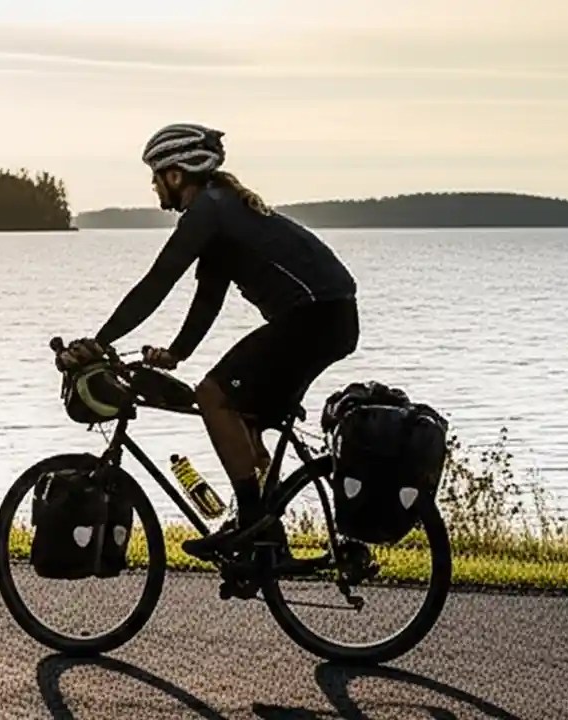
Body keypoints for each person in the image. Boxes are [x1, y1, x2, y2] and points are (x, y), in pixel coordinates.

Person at [57, 123, 360, 560]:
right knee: (242, 417)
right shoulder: (223, 211)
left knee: (212, 395)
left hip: (313, 318)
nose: (153, 186)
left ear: (176, 175)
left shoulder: (210, 210)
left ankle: (255, 527)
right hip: (328, 319)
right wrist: (178, 353)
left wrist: (100, 341)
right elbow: (208, 297)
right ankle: (264, 537)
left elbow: (158, 280)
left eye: (156, 175)